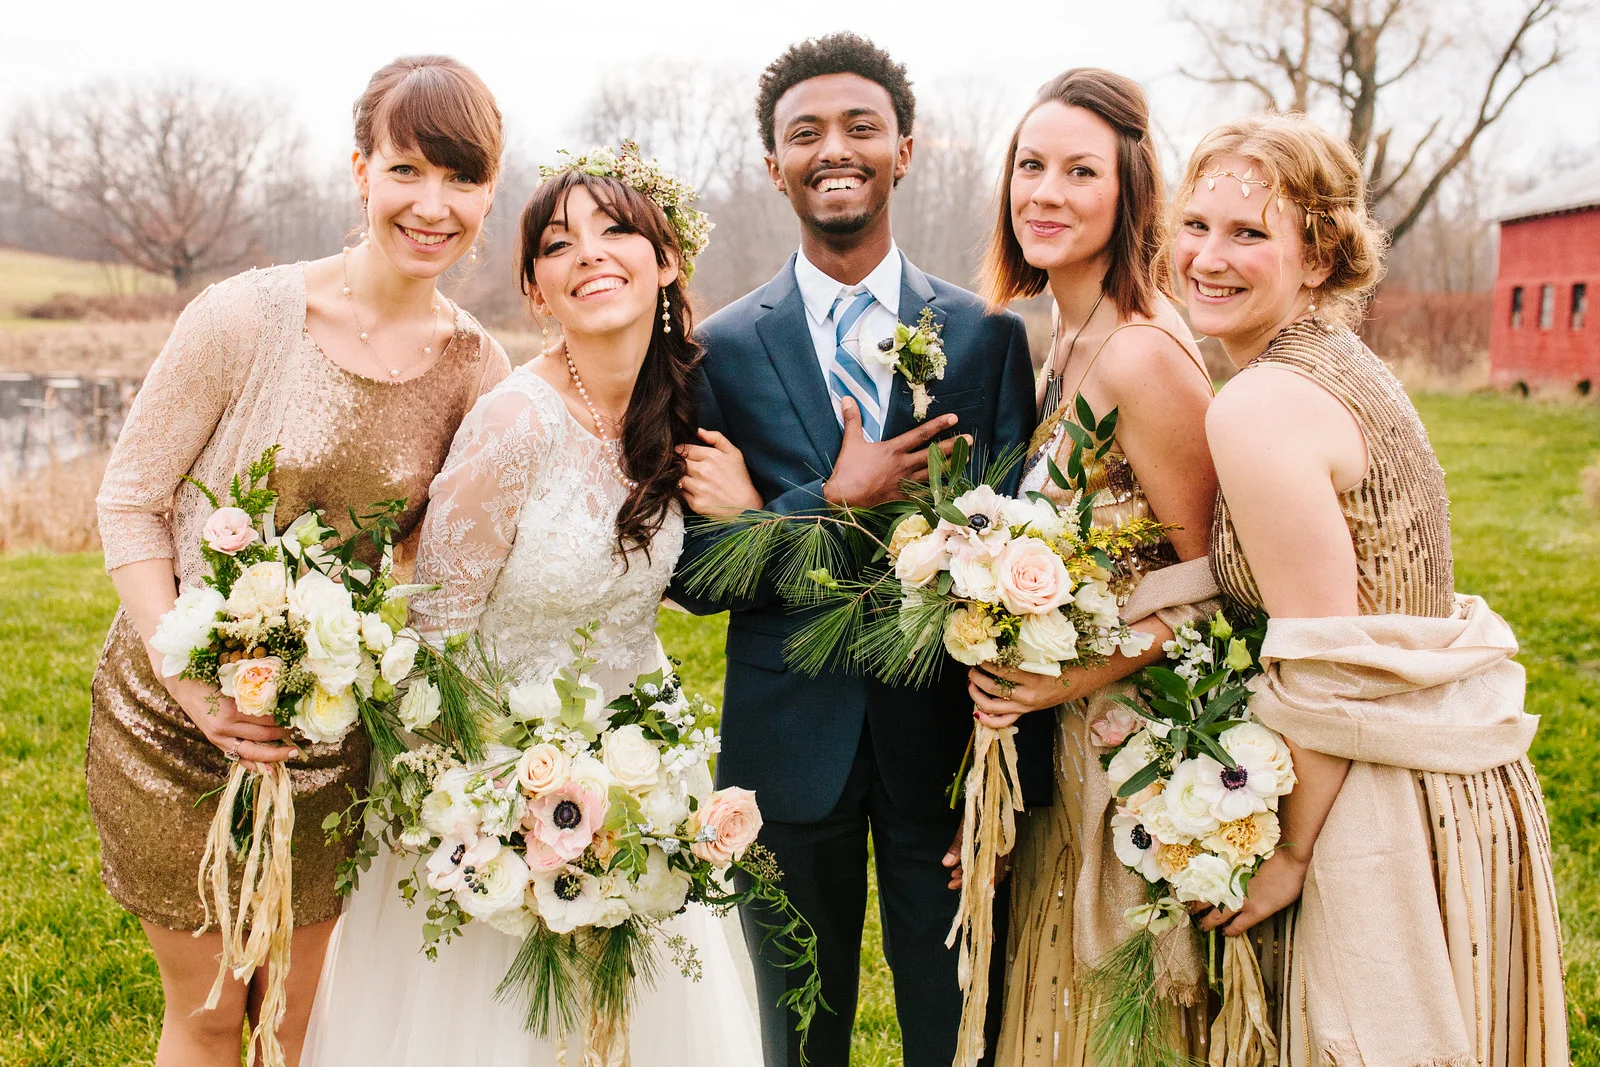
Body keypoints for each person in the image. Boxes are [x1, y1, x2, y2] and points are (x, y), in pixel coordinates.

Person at [301, 148, 763, 1067]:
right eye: (557, 244)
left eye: (615, 230)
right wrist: (500, 813)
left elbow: (707, 582)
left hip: (641, 765)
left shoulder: (676, 409)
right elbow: (435, 640)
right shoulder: (514, 422)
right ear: (536, 291)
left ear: (666, 261)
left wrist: (748, 512)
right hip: (495, 785)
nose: (588, 252)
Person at [88, 55, 507, 1066]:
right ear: (360, 171)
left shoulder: (475, 367)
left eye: (462, 177)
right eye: (407, 169)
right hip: (171, 721)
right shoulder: (243, 318)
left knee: (300, 1017)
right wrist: (192, 687)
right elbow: (130, 501)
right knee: (210, 1014)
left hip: (325, 738)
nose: (432, 205)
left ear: (490, 194)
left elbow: (444, 566)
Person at [668, 32, 1049, 1067]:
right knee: (796, 1036)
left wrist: (1006, 779)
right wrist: (828, 501)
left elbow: (1024, 560)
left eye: (859, 127)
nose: (833, 149)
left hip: (945, 748)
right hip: (784, 747)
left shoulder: (985, 337)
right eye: (806, 134)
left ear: (904, 151)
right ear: (774, 165)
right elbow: (693, 574)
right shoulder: (717, 349)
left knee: (957, 1029)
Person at [1178, 112, 1567, 1065]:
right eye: (1195, 224)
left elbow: (1330, 666)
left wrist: (1288, 855)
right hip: (1449, 775)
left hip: (1378, 806)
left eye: (1248, 232)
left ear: (1319, 256)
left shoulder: (1258, 403)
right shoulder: (1340, 361)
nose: (1209, 257)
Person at [955, 69, 1221, 1063]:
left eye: (1080, 171)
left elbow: (1225, 587)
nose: (1045, 193)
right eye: (1030, 166)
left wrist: (1072, 676)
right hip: (1054, 756)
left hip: (1127, 751)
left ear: (1130, 191)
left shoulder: (1143, 356)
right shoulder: (1063, 336)